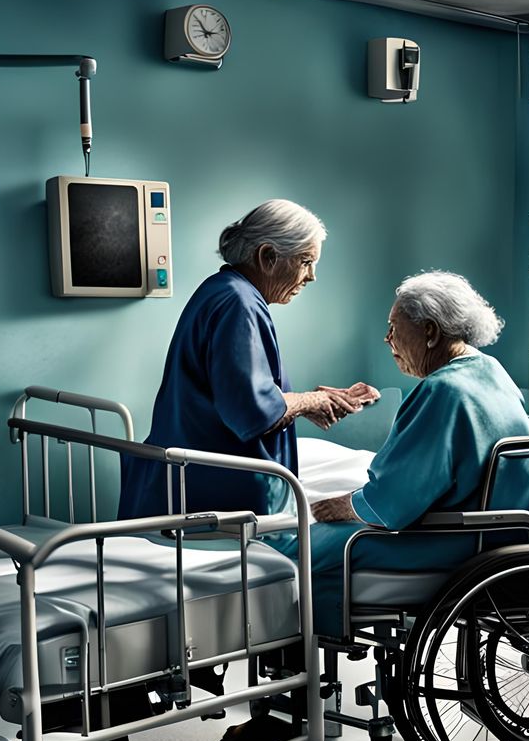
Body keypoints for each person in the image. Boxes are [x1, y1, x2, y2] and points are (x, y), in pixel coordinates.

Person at [277, 270, 529, 636]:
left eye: (394, 328)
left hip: (450, 544)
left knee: (297, 546)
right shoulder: (491, 371)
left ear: (429, 332)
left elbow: (394, 497)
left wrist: (343, 506)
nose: (387, 339)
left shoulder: (441, 390)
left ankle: (302, 660)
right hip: (496, 534)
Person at [119, 199, 379, 521]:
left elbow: (238, 396)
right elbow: (253, 413)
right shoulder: (238, 304)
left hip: (185, 482)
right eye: (306, 261)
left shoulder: (222, 291)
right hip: (211, 498)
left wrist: (308, 402)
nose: (311, 276)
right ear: (267, 257)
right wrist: (310, 401)